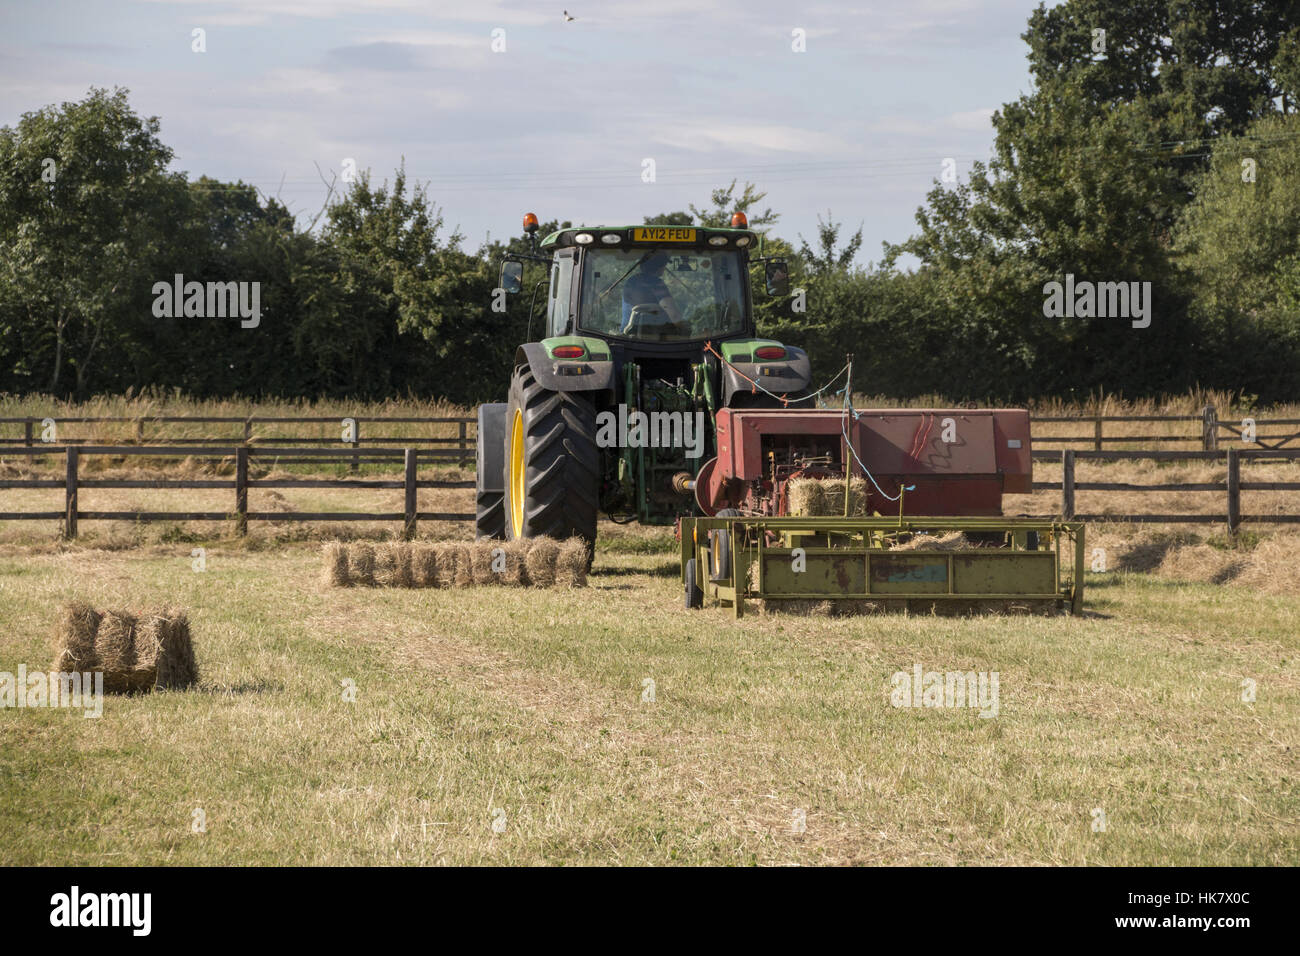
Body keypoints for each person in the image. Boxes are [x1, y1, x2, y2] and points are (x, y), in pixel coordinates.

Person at [621, 253, 684, 331]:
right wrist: (683, 330)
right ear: (659, 267)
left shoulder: (631, 281)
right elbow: (673, 314)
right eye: (663, 264)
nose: (664, 267)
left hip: (626, 333)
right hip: (652, 336)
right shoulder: (656, 283)